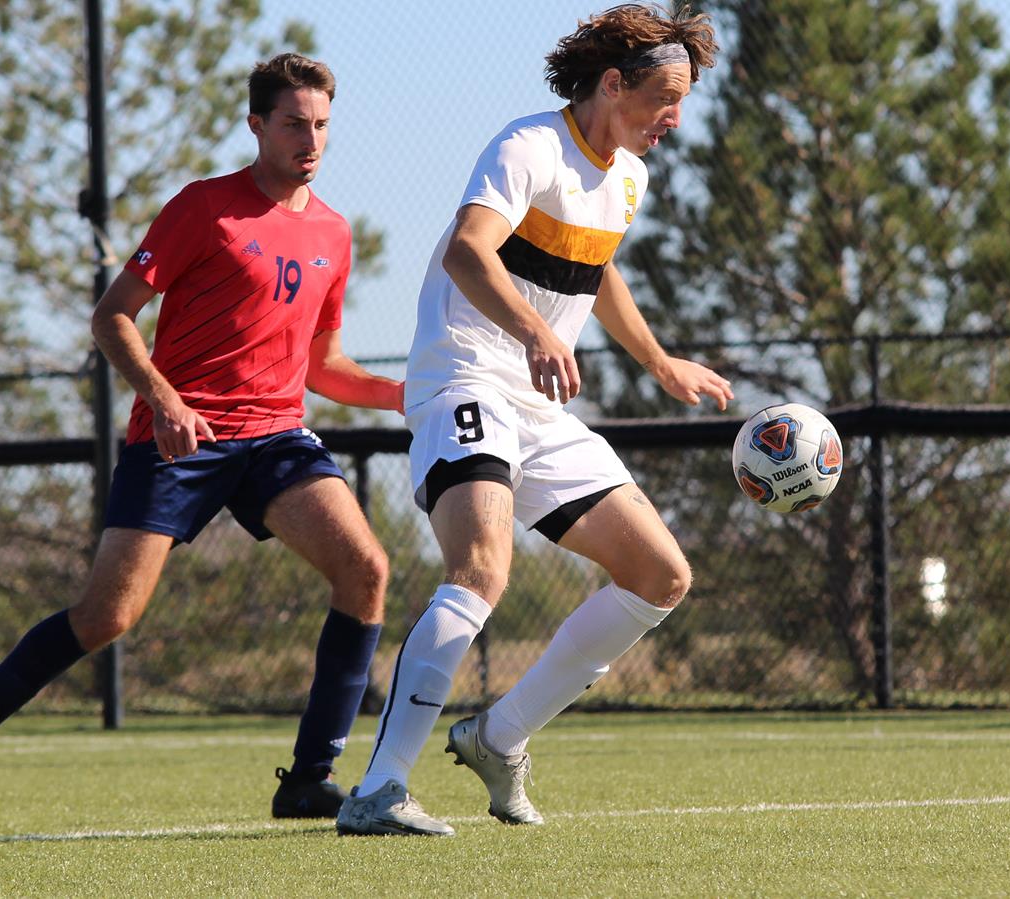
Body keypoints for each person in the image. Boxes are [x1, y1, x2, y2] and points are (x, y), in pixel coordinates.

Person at [0, 52, 404, 827]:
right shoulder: (203, 207)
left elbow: (323, 365)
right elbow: (112, 315)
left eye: (323, 124)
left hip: (274, 438)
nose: (312, 138)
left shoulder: (332, 229)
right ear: (257, 124)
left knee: (365, 569)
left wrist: (403, 395)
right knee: (105, 618)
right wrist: (162, 398)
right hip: (180, 438)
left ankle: (309, 778)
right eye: (295, 123)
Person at [335, 4, 729, 837]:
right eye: (666, 97)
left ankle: (498, 735)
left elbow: (597, 268)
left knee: (660, 574)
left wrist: (659, 361)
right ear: (613, 84)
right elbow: (468, 251)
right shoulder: (528, 146)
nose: (675, 119)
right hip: (465, 373)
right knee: (480, 565)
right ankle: (379, 788)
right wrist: (538, 331)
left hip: (536, 401)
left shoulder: (627, 176)